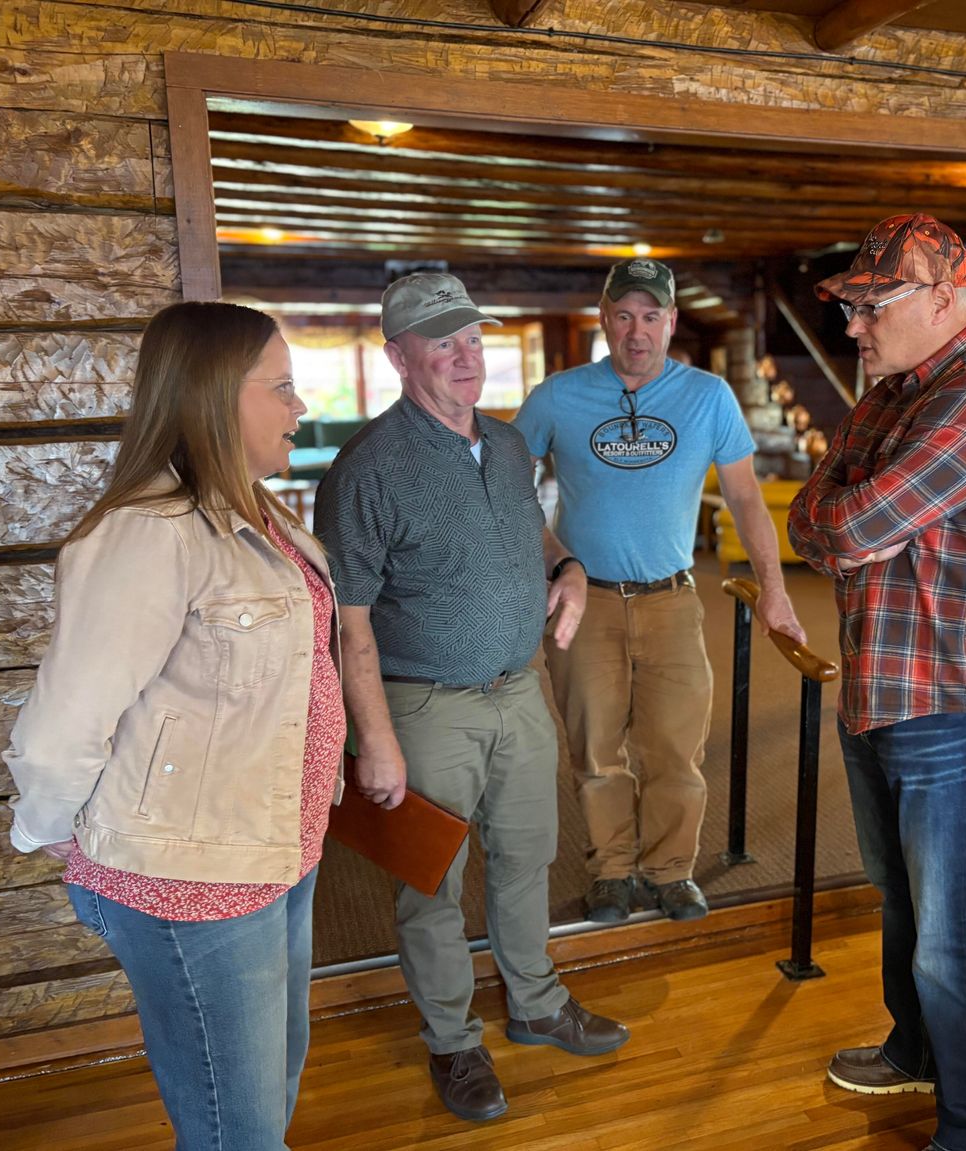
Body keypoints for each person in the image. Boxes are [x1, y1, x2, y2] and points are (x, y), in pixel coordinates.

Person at [5, 301, 342, 1151]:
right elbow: (61, 728)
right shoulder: (148, 535)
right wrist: (54, 830)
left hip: (275, 852)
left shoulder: (261, 515)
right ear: (215, 395)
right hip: (194, 880)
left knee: (268, 1094)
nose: (299, 406)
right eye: (282, 387)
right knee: (238, 1130)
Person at [314, 272, 628, 1124]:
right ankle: (453, 1041)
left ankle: (536, 1002)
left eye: (473, 338)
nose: (466, 357)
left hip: (519, 691)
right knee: (431, 885)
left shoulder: (508, 444)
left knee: (529, 856)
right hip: (424, 708)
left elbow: (533, 531)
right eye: (443, 342)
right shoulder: (366, 470)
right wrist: (374, 739)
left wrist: (568, 565)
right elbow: (348, 624)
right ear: (398, 357)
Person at [788, 213, 966, 1151]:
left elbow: (852, 526)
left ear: (944, 297)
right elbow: (810, 518)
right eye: (850, 306)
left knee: (952, 933)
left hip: (954, 701)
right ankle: (918, 1051)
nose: (852, 325)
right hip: (882, 688)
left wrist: (852, 522)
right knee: (902, 903)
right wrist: (848, 521)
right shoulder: (889, 396)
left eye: (871, 305)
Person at [514, 257, 806, 924]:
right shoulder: (556, 397)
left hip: (673, 599)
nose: (637, 331)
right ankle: (612, 871)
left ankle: (671, 870)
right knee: (597, 749)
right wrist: (555, 559)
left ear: (672, 321)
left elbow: (746, 499)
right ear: (604, 320)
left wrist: (775, 588)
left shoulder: (709, 397)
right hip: (586, 602)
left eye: (651, 316)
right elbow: (507, 488)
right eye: (623, 316)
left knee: (675, 749)